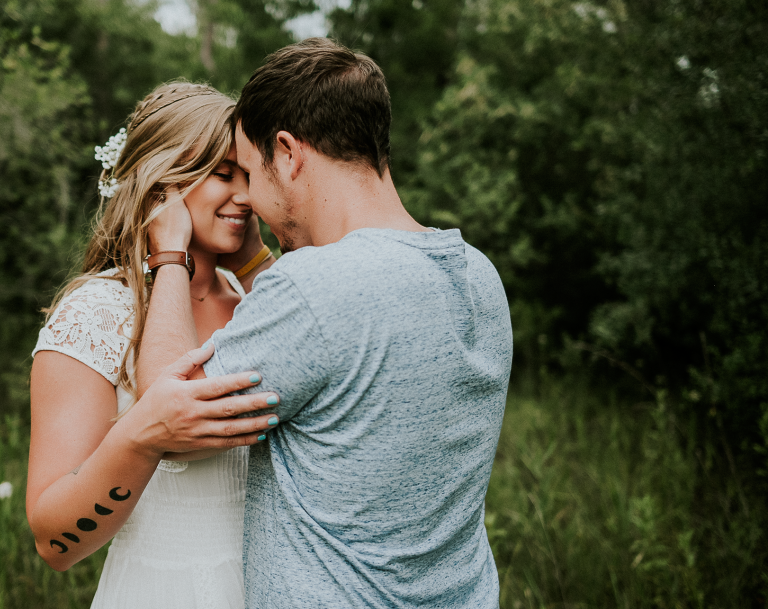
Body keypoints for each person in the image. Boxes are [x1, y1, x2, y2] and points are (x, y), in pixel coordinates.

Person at [141, 39, 513, 608]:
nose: (247, 199)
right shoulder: (477, 274)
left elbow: (167, 416)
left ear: (288, 154)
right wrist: (258, 259)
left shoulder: (314, 287)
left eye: (249, 172)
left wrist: (169, 256)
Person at [25, 82, 278, 608]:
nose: (247, 196)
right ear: (163, 186)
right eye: (223, 174)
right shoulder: (97, 312)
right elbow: (53, 541)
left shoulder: (253, 300)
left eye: (250, 176)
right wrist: (140, 439)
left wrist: (258, 264)